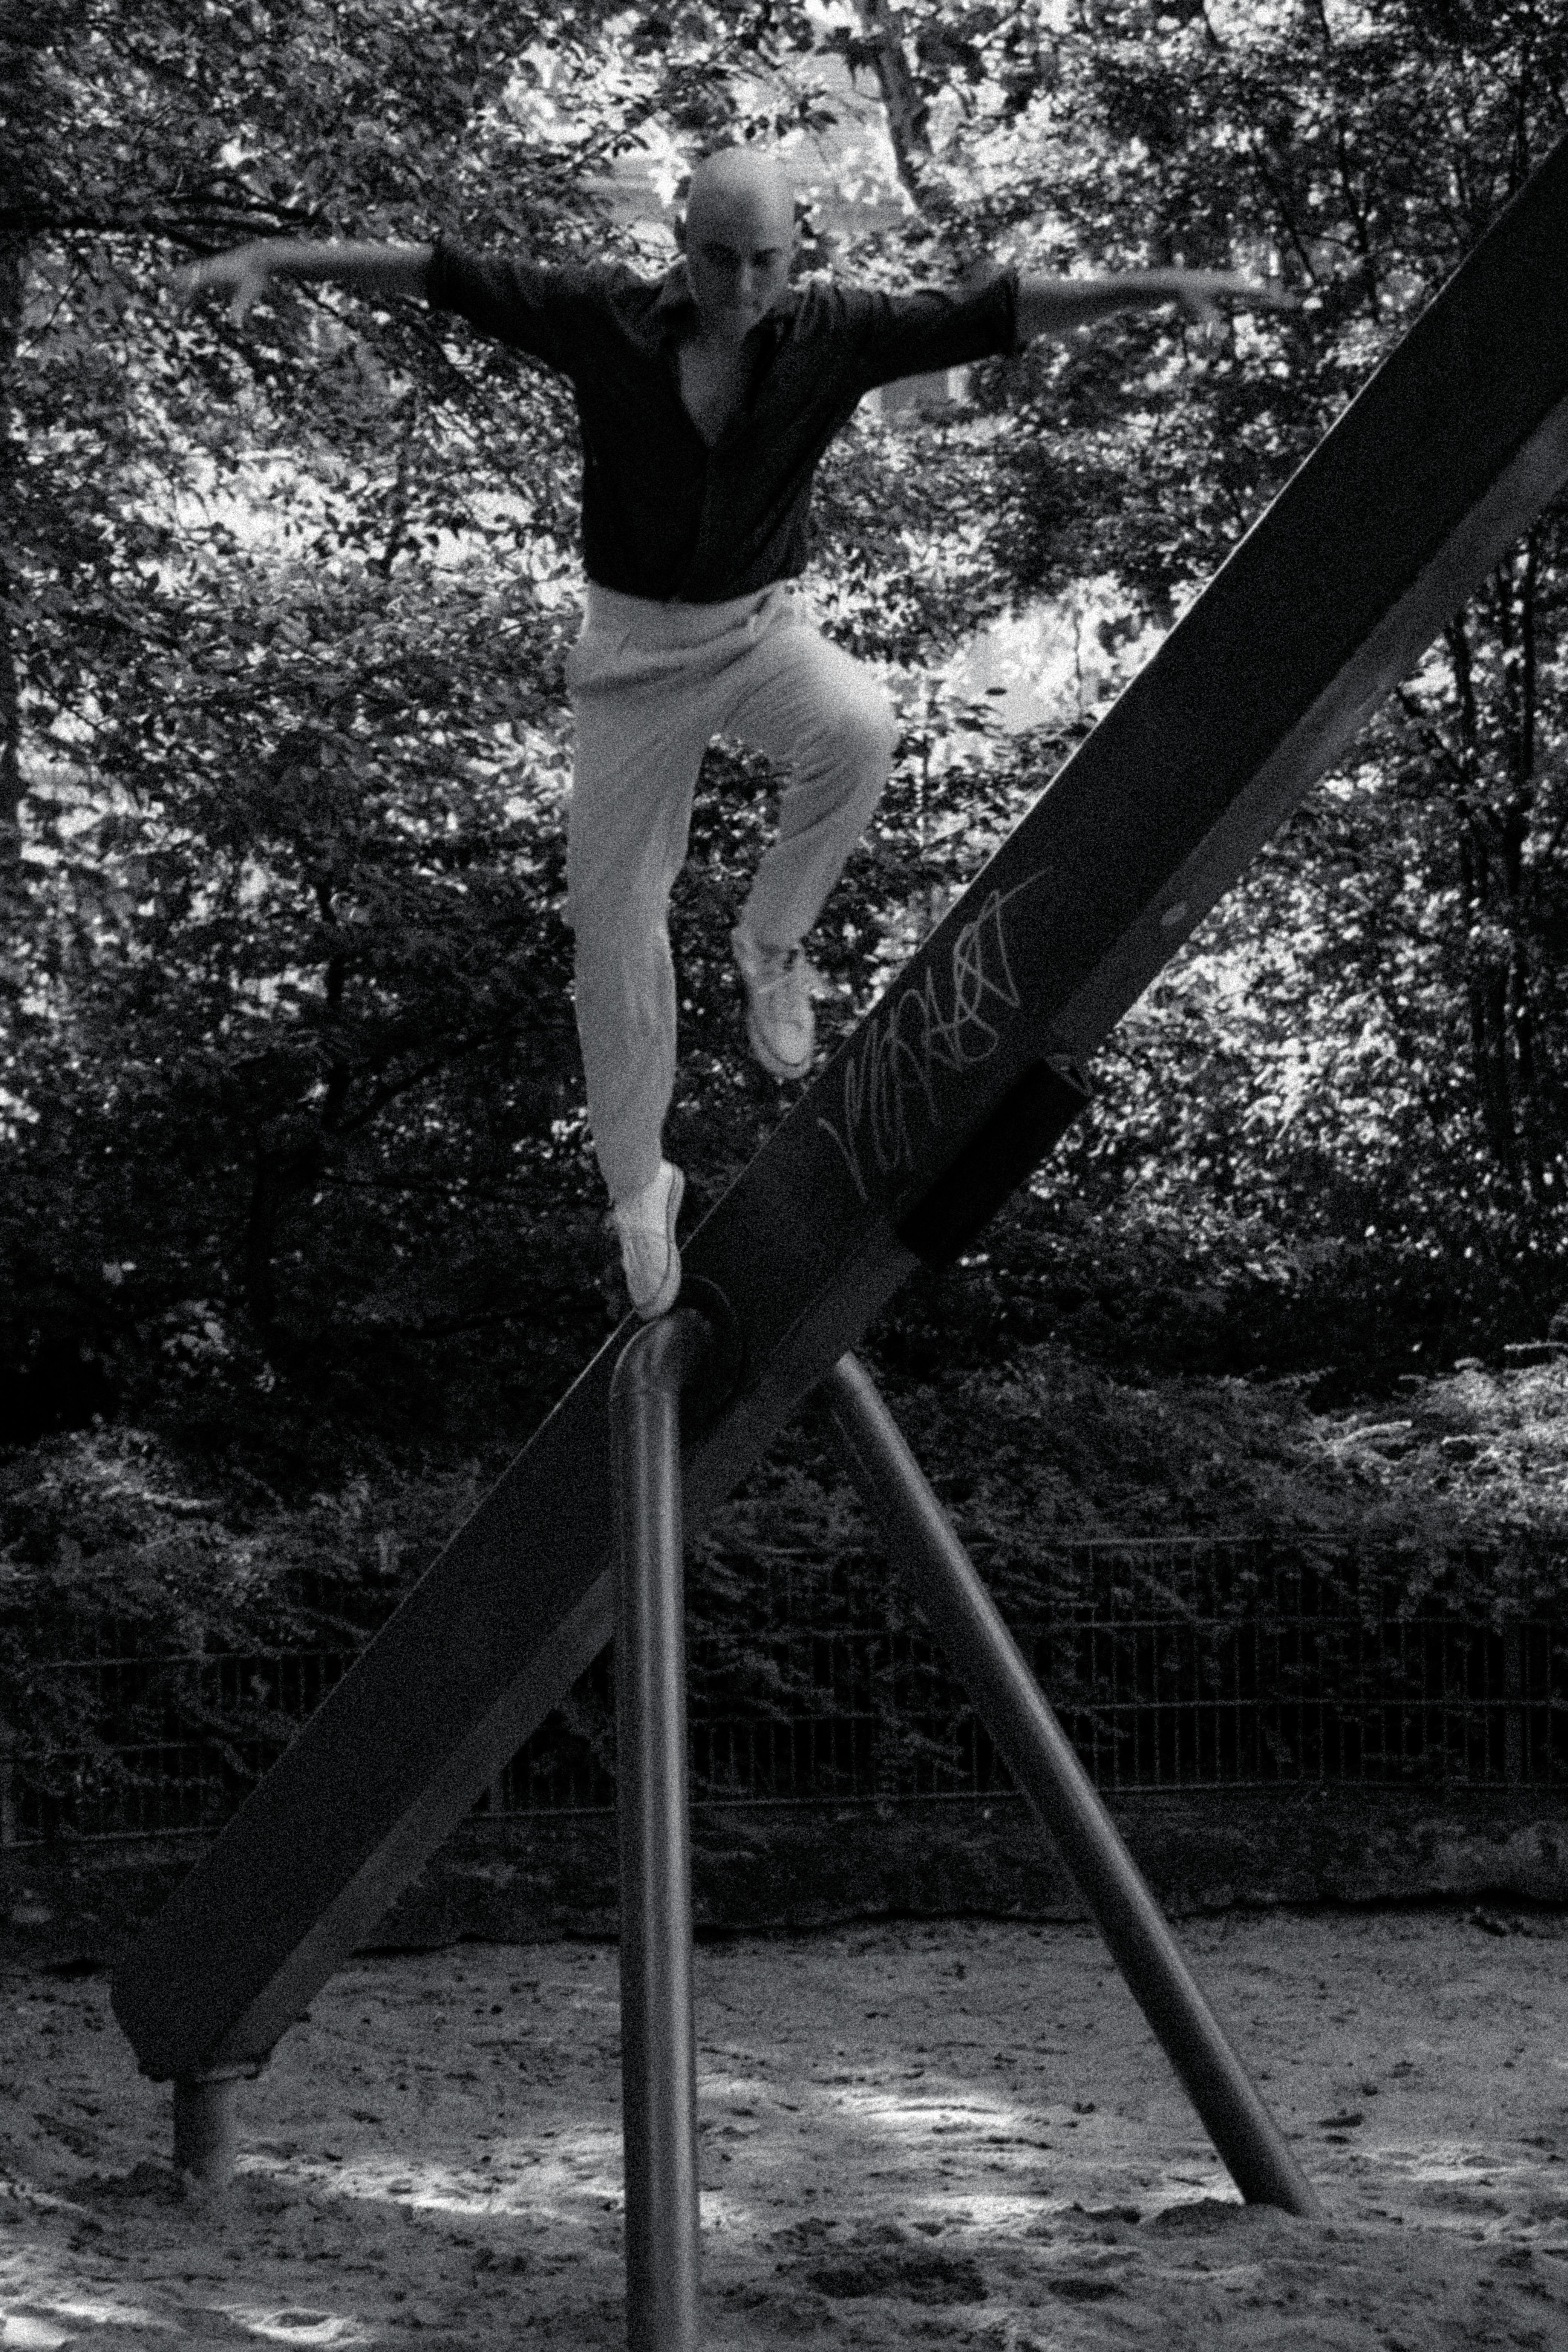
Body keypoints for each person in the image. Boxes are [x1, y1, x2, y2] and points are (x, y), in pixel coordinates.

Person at [175, 147, 1291, 1319]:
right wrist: (277, 257)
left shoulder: (841, 333)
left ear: (798, 247)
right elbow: (438, 273)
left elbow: (1003, 310)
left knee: (860, 725)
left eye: (766, 260)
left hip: (760, 633)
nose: (743, 286)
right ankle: (637, 1190)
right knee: (611, 922)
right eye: (718, 258)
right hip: (632, 664)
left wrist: (1157, 284)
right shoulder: (597, 319)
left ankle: (771, 946)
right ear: (681, 238)